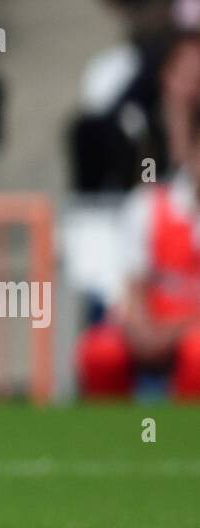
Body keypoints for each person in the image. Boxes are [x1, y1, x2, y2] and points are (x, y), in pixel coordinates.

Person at [77, 109, 200, 399]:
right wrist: (143, 333)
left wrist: (177, 332)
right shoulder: (147, 206)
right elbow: (131, 287)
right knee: (101, 353)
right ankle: (109, 439)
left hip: (190, 332)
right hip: (148, 328)